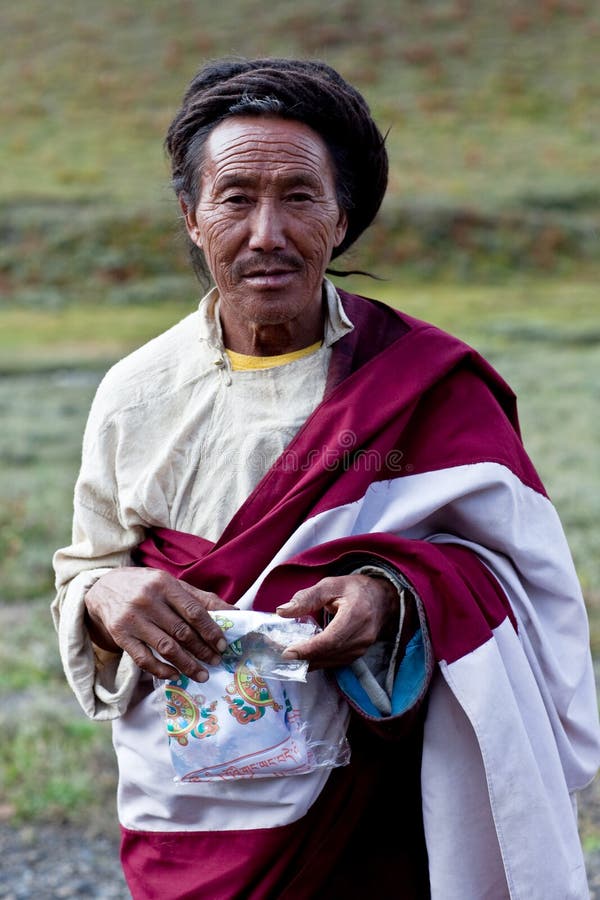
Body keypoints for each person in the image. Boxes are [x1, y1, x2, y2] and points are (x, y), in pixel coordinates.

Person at [52, 57, 600, 899]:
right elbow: (88, 566)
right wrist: (105, 597)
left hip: (378, 801)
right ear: (192, 217)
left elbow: (523, 581)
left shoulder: (427, 382)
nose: (267, 231)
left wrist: (393, 594)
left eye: (299, 197)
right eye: (236, 198)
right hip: (190, 810)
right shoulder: (136, 393)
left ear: (342, 218)